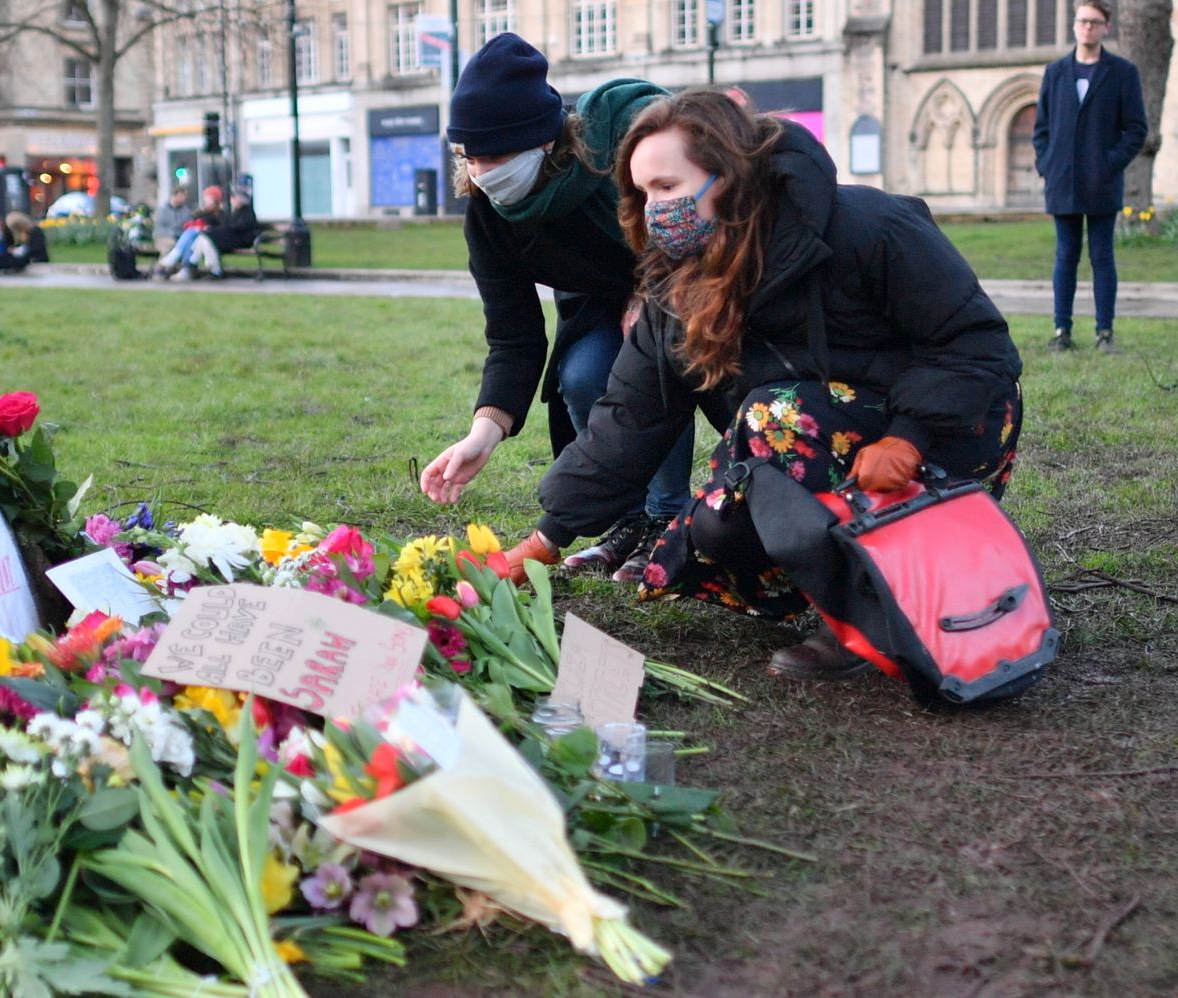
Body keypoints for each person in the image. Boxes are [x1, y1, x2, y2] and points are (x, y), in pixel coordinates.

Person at [491, 91, 1023, 681]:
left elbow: (977, 343)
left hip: (951, 426)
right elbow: (631, 416)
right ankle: (838, 577)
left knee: (772, 417)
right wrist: (546, 539)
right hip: (818, 437)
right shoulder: (678, 287)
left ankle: (866, 615)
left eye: (667, 186)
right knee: (716, 527)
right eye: (642, 194)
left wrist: (909, 435)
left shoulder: (867, 226)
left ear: (728, 174)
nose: (654, 209)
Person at [417, 33, 695, 582]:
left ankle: (670, 520)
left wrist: (649, 293)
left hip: (673, 281)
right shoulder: (488, 216)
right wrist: (484, 431)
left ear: (544, 141)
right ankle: (630, 518)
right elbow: (514, 337)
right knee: (583, 375)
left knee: (653, 367)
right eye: (469, 156)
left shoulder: (616, 159)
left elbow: (686, 228)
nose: (481, 172)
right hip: (594, 300)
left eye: (495, 155)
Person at [1033, 0, 1147, 353]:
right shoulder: (1055, 73)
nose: (1087, 27)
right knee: (1065, 256)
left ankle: (1104, 333)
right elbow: (1041, 129)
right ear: (1074, 25)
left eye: (1095, 22)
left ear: (1106, 28)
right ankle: (1061, 331)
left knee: (1102, 257)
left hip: (1102, 182)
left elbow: (1136, 129)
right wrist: (1047, 165)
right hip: (1062, 181)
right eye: (1082, 20)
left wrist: (1109, 163)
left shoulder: (1123, 73)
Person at [153, 186, 225, 280]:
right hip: (168, 236)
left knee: (191, 234)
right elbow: (161, 227)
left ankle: (175, 259)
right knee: (188, 238)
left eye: (208, 198)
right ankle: (184, 268)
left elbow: (218, 228)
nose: (205, 201)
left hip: (208, 238)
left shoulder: (219, 214)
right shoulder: (163, 210)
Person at [189, 188, 263, 279]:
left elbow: (236, 227)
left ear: (240, 200)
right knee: (205, 238)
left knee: (206, 237)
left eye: (233, 198)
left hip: (241, 241)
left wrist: (214, 230)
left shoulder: (247, 213)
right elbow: (228, 226)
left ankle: (196, 262)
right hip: (232, 238)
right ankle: (213, 270)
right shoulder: (236, 212)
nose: (232, 201)